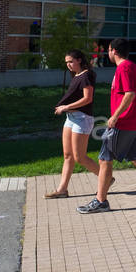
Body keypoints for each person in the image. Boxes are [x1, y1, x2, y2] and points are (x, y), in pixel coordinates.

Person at [78, 38, 136, 214]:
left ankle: (100, 200)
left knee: (104, 159)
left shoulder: (124, 68)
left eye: (108, 50)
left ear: (113, 51)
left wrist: (115, 116)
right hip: (135, 123)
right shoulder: (133, 67)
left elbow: (130, 94)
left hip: (124, 123)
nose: (107, 53)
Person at [45, 49, 100, 198]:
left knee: (80, 157)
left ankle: (105, 177)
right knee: (68, 155)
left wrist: (66, 107)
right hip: (71, 119)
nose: (68, 65)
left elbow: (87, 99)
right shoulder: (76, 75)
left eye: (71, 61)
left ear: (79, 60)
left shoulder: (87, 75)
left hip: (82, 119)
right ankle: (62, 190)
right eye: (67, 62)